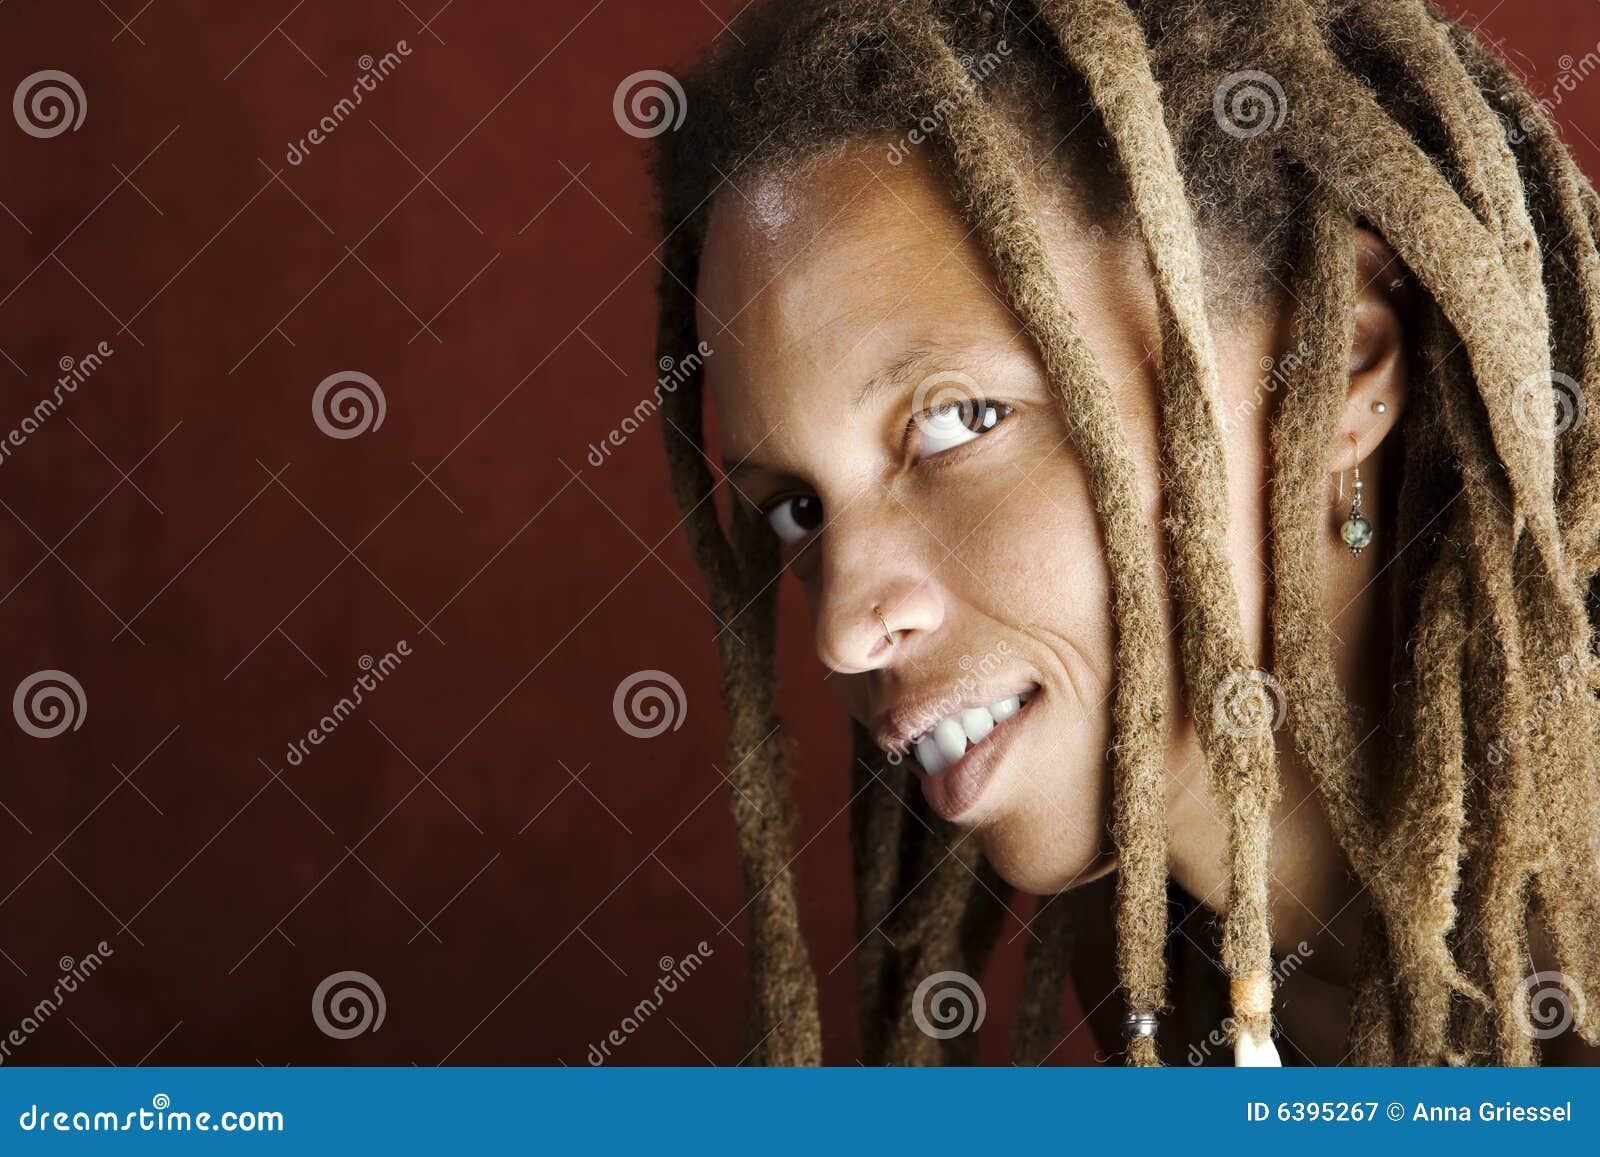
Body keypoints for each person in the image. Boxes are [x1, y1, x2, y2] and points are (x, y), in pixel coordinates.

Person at [651, 0, 1600, 1065]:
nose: (842, 630)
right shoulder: (1161, 971)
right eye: (797, 507)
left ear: (1337, 359)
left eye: (959, 419)